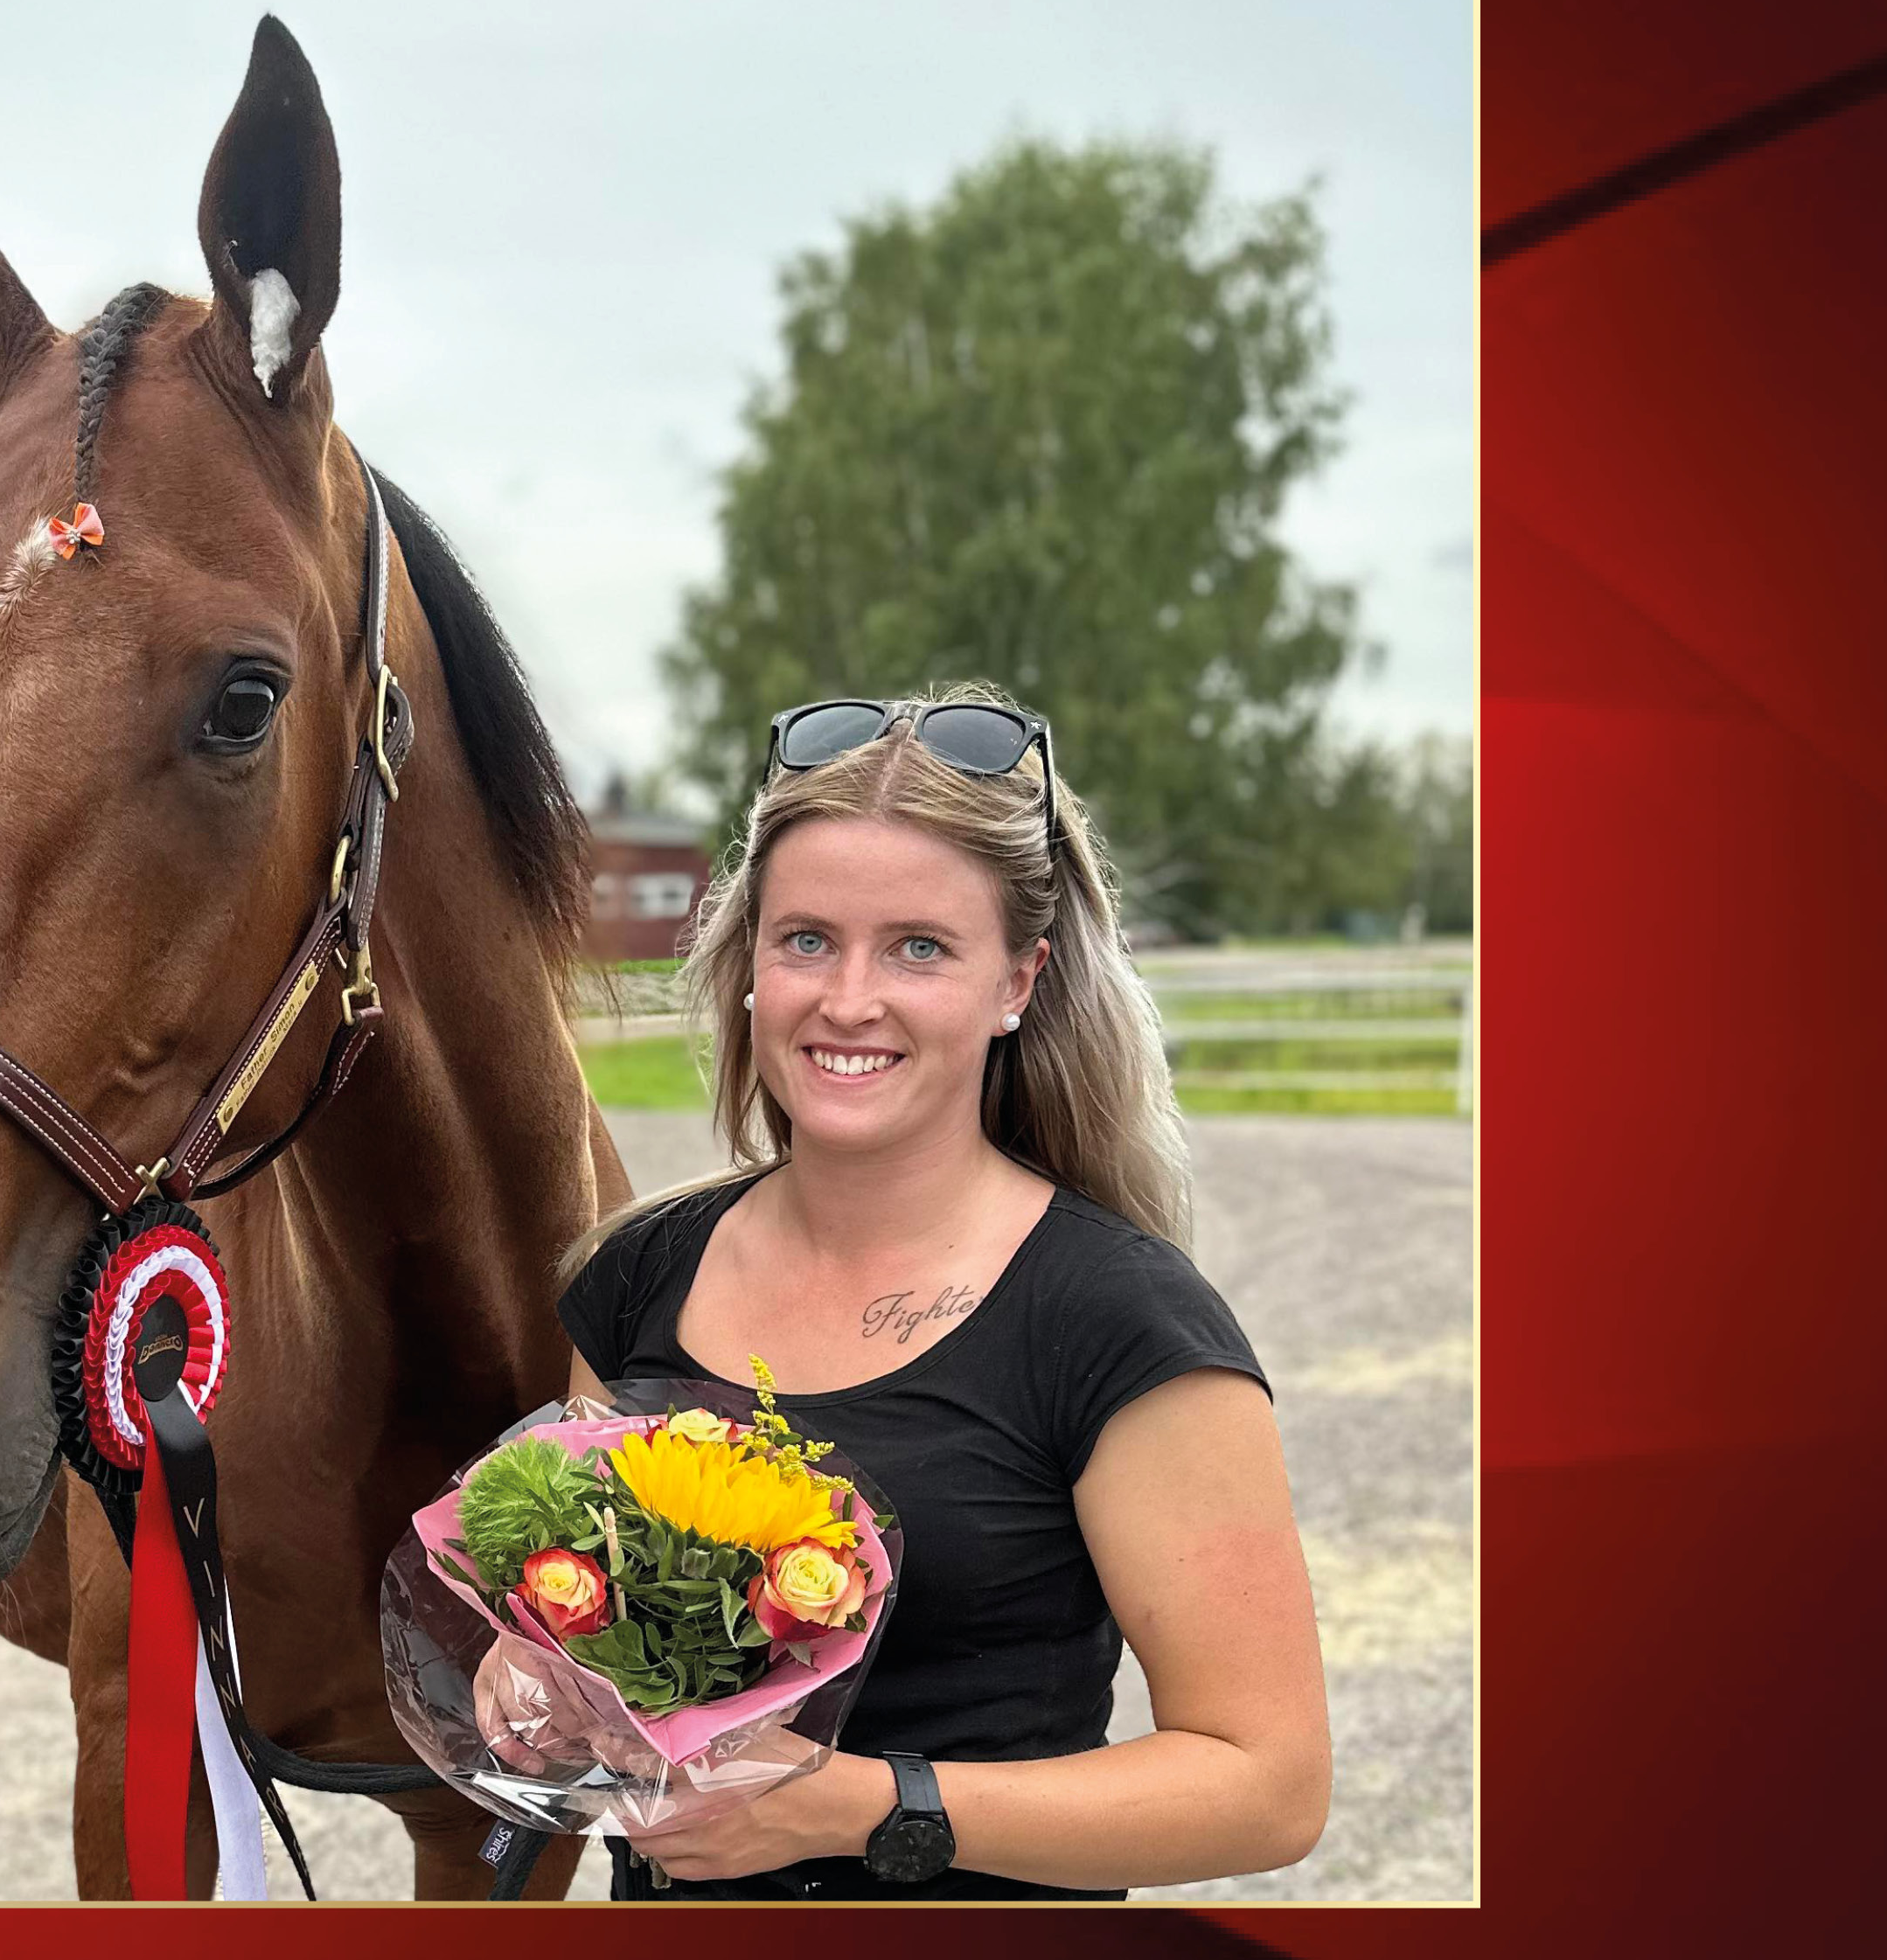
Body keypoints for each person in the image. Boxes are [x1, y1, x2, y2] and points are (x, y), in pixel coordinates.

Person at [502, 688, 1328, 1900]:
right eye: (804, 940)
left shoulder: (1118, 1321)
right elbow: (565, 1615)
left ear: (1017, 982)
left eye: (918, 948)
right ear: (747, 967)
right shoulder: (636, 1276)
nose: (846, 1000)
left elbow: (1266, 1786)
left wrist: (861, 1811)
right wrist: (528, 1680)